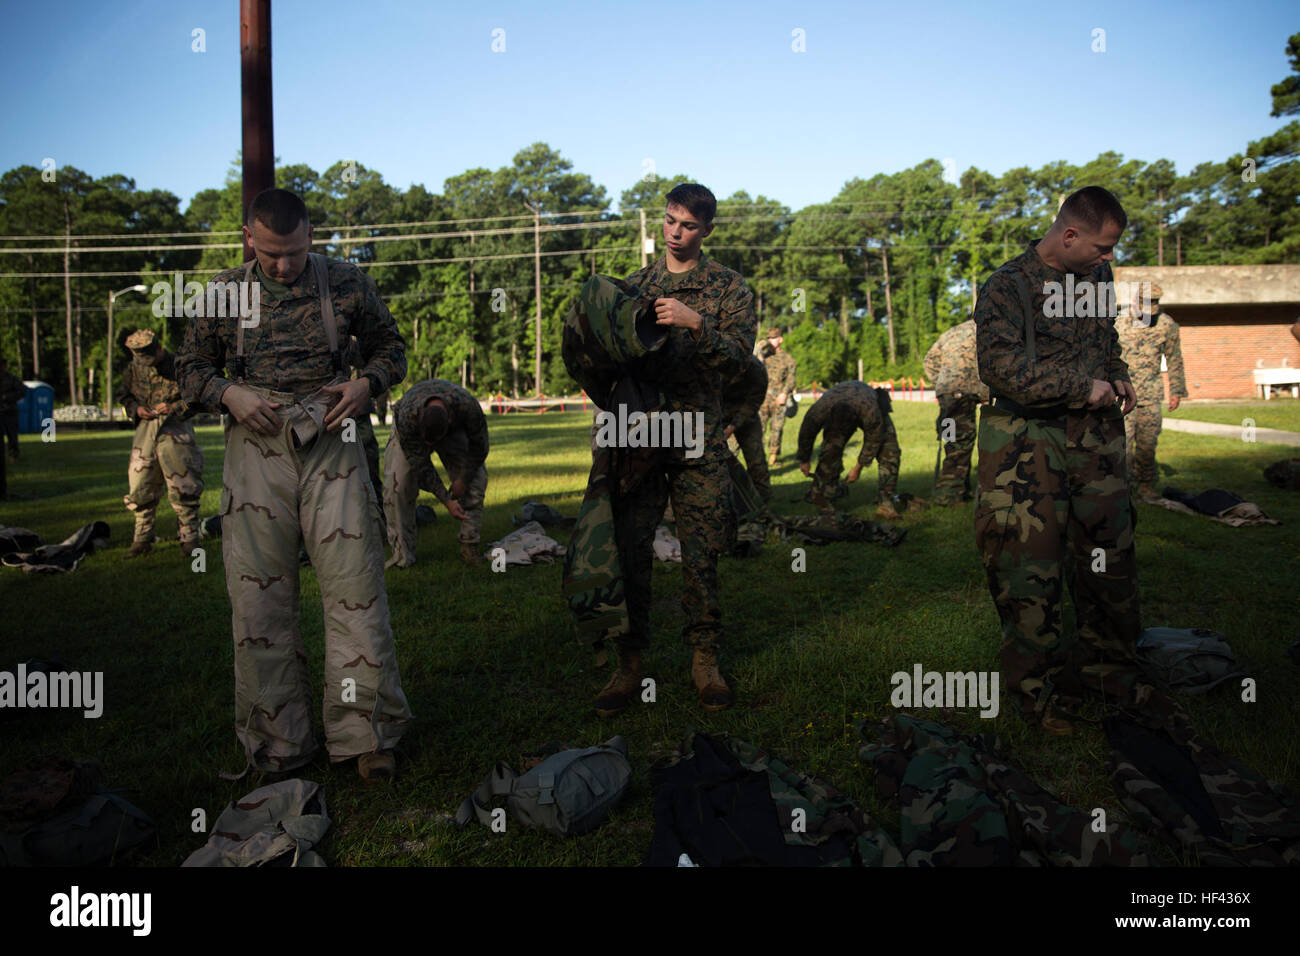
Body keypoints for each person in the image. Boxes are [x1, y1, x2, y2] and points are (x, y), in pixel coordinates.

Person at [177, 187, 410, 781]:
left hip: (334, 437)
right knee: (259, 599)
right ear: (249, 239)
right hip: (256, 446)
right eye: (272, 254)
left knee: (355, 589)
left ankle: (365, 736)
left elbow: (392, 348)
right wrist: (229, 392)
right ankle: (279, 744)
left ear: (313, 236)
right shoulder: (225, 293)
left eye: (296, 252)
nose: (284, 266)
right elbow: (189, 367)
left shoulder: (345, 282)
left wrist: (367, 385)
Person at [972, 185, 1143, 736]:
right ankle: (1036, 697)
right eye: (1102, 246)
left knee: (1109, 562)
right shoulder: (1007, 286)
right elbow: (1000, 369)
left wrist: (1116, 372)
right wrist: (1083, 387)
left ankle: (1106, 677)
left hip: (1095, 444)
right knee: (1029, 572)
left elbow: (1104, 337)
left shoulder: (1097, 278)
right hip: (1028, 444)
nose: (1109, 257)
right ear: (1069, 235)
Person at [594, 183, 756, 716]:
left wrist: (697, 324)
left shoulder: (730, 289)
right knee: (631, 546)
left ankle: (704, 660)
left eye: (687, 225)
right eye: (669, 221)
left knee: (703, 549)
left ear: (707, 230)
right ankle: (628, 663)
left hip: (697, 434)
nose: (675, 232)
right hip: (640, 435)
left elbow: (741, 363)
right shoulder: (635, 286)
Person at [118, 329, 205, 559]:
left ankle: (189, 539)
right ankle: (142, 539)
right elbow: (125, 395)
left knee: (183, 483)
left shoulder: (180, 366)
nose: (145, 363)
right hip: (146, 429)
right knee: (140, 484)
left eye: (148, 356)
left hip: (174, 428)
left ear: (158, 348)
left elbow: (198, 397)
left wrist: (174, 407)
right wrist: (136, 409)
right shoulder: (133, 369)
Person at [384, 378, 488, 568]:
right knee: (397, 486)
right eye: (428, 442)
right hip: (410, 432)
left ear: (449, 419)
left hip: (454, 429)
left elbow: (479, 448)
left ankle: (469, 545)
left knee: (477, 479)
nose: (430, 447)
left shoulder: (467, 407)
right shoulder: (408, 415)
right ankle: (402, 555)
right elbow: (420, 465)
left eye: (434, 441)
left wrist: (462, 480)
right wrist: (446, 499)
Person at [1115, 283, 1187, 501]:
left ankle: (1146, 486)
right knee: (1123, 445)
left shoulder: (1166, 325)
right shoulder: (1119, 322)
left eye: (1153, 305)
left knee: (1147, 445)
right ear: (1136, 301)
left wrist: (1176, 390)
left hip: (1151, 394)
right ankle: (1123, 488)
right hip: (1123, 395)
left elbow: (1174, 359)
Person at [795, 381, 901, 516]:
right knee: (831, 449)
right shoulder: (820, 409)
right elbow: (806, 432)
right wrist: (804, 459)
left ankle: (886, 502)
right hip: (840, 403)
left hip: (868, 401)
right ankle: (824, 498)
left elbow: (873, 441)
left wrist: (858, 468)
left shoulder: (870, 412)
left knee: (889, 451)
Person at [923, 318, 989, 505]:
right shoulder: (985, 330)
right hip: (964, 394)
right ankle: (949, 494)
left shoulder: (951, 332)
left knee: (951, 440)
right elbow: (988, 363)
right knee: (961, 442)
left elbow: (929, 361)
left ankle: (959, 488)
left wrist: (941, 384)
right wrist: (985, 392)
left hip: (947, 396)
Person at [724, 354, 770, 502]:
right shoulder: (715, 360)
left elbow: (753, 402)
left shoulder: (757, 369)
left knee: (756, 459)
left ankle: (763, 501)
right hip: (719, 412)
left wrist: (733, 426)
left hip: (746, 415)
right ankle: (725, 499)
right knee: (719, 459)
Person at [757, 327, 796, 465]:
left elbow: (791, 379)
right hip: (762, 398)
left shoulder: (788, 359)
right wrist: (760, 346)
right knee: (759, 428)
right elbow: (753, 362)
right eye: (769, 338)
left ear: (780, 339)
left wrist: (784, 393)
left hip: (779, 398)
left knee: (777, 428)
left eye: (774, 337)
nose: (771, 340)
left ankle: (773, 456)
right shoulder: (763, 356)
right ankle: (759, 458)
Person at [0, 356, 23, 462]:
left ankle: (14, 455)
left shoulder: (12, 378)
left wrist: (8, 397)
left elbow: (22, 391)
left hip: (10, 410)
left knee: (12, 435)